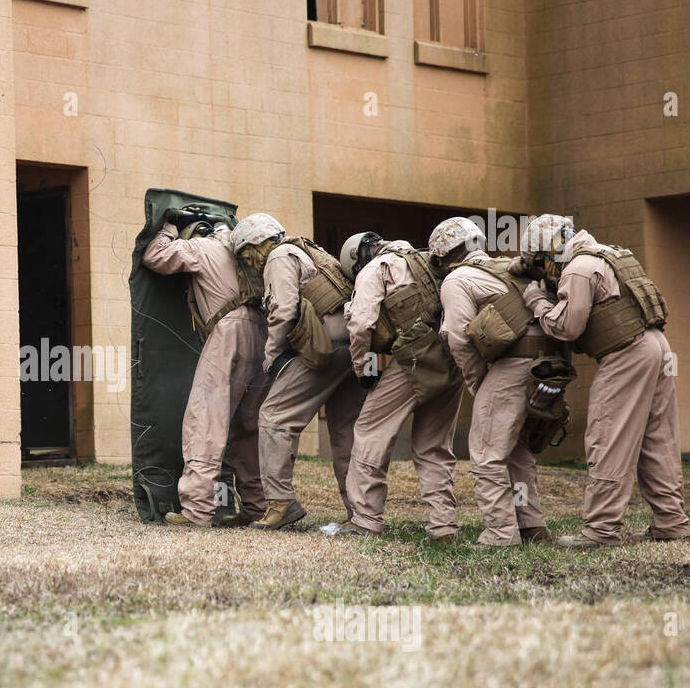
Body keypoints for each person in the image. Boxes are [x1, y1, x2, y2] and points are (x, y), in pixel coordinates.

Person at [517, 214, 690, 548]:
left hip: (626, 354)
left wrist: (537, 301)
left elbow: (568, 327)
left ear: (550, 251)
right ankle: (671, 523)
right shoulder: (609, 254)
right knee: (658, 440)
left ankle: (601, 530)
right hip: (657, 347)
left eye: (540, 262)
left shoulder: (578, 269)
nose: (544, 270)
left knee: (607, 436)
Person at [142, 208, 270, 527]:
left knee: (205, 419)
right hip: (263, 332)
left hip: (229, 330)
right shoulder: (243, 252)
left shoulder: (201, 247)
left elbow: (155, 257)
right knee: (248, 425)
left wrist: (170, 226)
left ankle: (197, 510)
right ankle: (257, 506)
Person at [334, 232, 463, 538]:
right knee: (435, 445)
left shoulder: (377, 267)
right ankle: (443, 523)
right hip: (451, 356)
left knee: (370, 432)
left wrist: (361, 368)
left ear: (356, 258)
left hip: (414, 358)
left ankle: (365, 519)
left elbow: (361, 322)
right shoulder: (427, 258)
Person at [241, 215, 363, 529]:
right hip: (352, 348)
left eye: (246, 255)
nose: (249, 263)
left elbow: (283, 308)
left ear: (258, 243)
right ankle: (362, 514)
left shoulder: (279, 256)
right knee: (345, 432)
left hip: (324, 348)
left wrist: (270, 357)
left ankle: (281, 503)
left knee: (274, 416)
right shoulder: (312, 251)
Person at [437, 216, 552, 546]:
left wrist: (479, 381)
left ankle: (501, 533)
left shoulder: (457, 279)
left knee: (487, 453)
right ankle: (531, 526)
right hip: (548, 365)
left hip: (512, 366)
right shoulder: (509, 268)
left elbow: (457, 337)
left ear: (443, 254)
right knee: (517, 450)